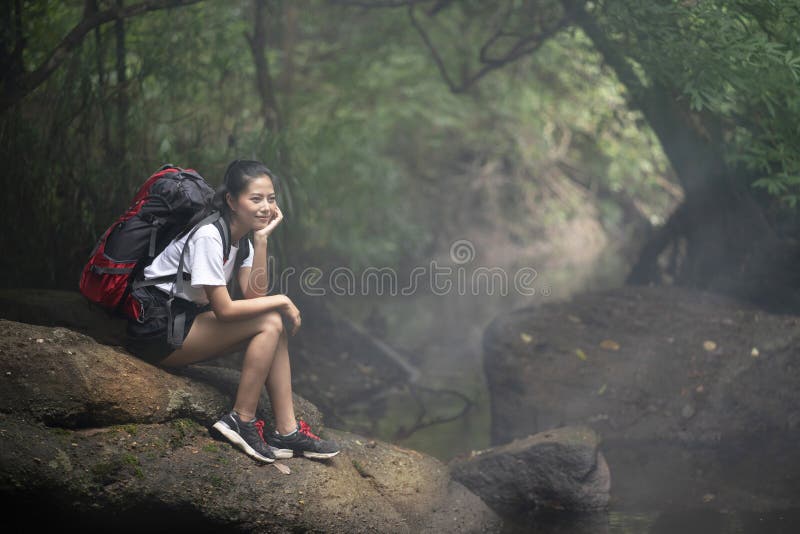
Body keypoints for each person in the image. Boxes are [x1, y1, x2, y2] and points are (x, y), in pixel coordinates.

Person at [124, 159, 339, 463]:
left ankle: (287, 432)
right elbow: (226, 311)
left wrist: (262, 241)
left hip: (186, 323)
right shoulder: (209, 235)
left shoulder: (243, 241)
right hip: (158, 330)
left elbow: (253, 295)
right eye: (256, 199)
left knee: (270, 322)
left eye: (271, 199)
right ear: (231, 201)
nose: (266, 207)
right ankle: (241, 419)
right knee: (270, 319)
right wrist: (283, 299)